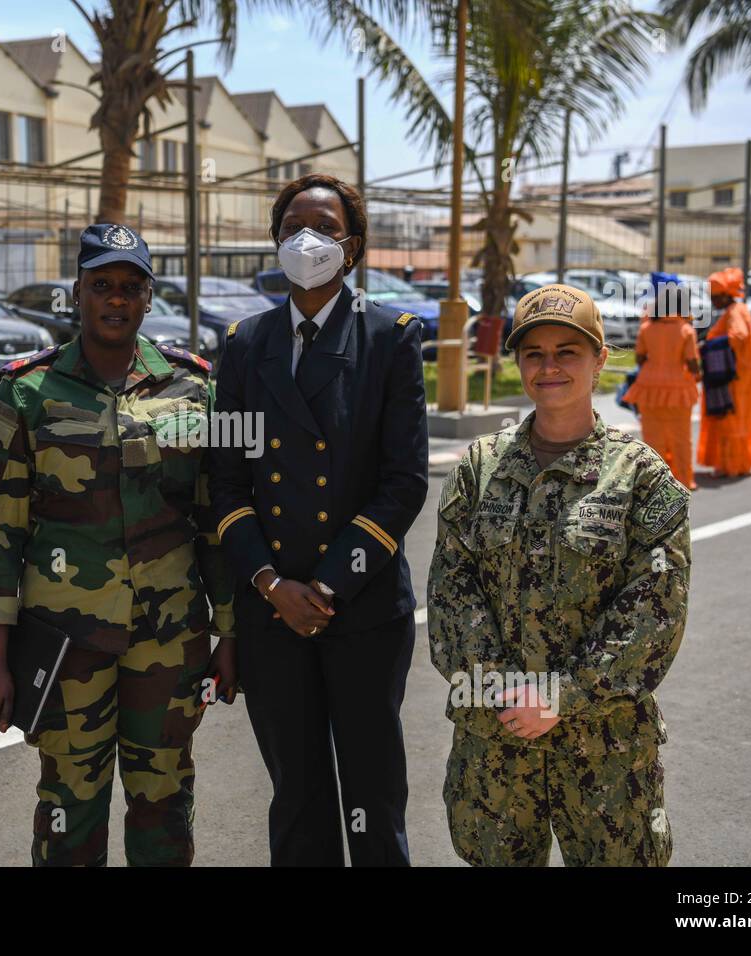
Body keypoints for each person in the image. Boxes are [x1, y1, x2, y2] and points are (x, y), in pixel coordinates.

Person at [0, 223, 235, 867]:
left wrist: (233, 635)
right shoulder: (27, 391)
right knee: (68, 801)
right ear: (77, 294)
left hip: (169, 640)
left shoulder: (192, 387)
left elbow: (216, 521)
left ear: (149, 299)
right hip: (64, 639)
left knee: (165, 798)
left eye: (131, 287)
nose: (116, 299)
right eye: (101, 285)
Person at [209, 173, 429, 866]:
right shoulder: (245, 345)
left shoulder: (390, 338)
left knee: (371, 795)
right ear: (277, 242)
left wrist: (327, 587)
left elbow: (403, 484)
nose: (308, 241)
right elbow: (228, 480)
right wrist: (274, 585)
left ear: (353, 246)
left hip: (359, 611)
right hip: (273, 615)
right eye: (293, 227)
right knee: (296, 797)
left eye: (325, 229)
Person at [428, 283, 689, 867]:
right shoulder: (481, 466)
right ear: (517, 362)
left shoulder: (640, 476)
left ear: (599, 359)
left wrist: (560, 695)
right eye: (534, 353)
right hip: (496, 738)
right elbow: (451, 590)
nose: (549, 367)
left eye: (567, 351)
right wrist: (498, 686)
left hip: (604, 747)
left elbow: (654, 612)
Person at [623, 272, 701, 490]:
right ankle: (684, 479)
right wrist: (698, 375)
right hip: (679, 387)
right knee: (681, 437)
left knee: (652, 436)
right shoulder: (686, 330)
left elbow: (639, 357)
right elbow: (692, 361)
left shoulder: (647, 328)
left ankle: (653, 480)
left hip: (648, 386)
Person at [697, 267, 751, 477]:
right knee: (733, 421)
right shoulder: (735, 310)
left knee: (730, 421)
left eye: (715, 297)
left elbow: (738, 336)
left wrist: (708, 346)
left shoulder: (735, 312)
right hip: (738, 375)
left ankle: (732, 465)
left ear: (726, 296)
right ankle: (735, 463)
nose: (713, 302)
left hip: (734, 378)